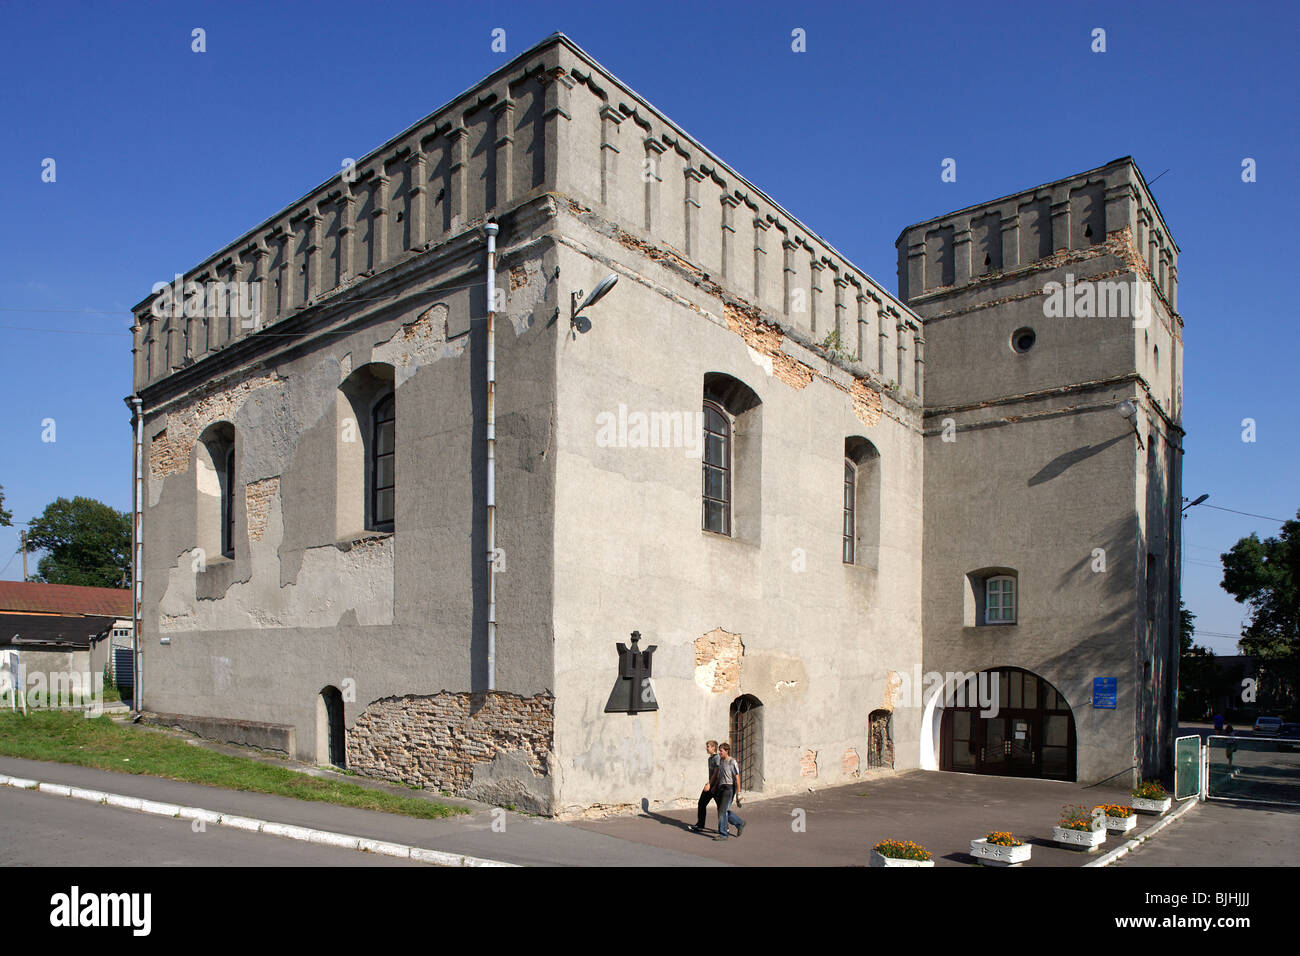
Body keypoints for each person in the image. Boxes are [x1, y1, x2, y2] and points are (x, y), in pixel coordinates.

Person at [712, 742, 745, 839]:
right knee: (722, 810)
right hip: (721, 787)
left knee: (722, 811)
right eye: (719, 750)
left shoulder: (732, 762)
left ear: (727, 751)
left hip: (729, 788)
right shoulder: (721, 761)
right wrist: (715, 786)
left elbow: (737, 778)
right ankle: (739, 823)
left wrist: (738, 793)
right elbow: (720, 775)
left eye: (721, 751)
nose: (719, 752)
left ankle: (723, 834)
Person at [689, 740, 720, 833]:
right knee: (701, 803)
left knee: (721, 808)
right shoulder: (710, 758)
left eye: (708, 746)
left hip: (716, 786)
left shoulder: (717, 758)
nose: (706, 748)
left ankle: (727, 827)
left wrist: (710, 784)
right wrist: (709, 783)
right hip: (710, 785)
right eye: (706, 746)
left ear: (714, 747)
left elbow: (717, 772)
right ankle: (700, 825)